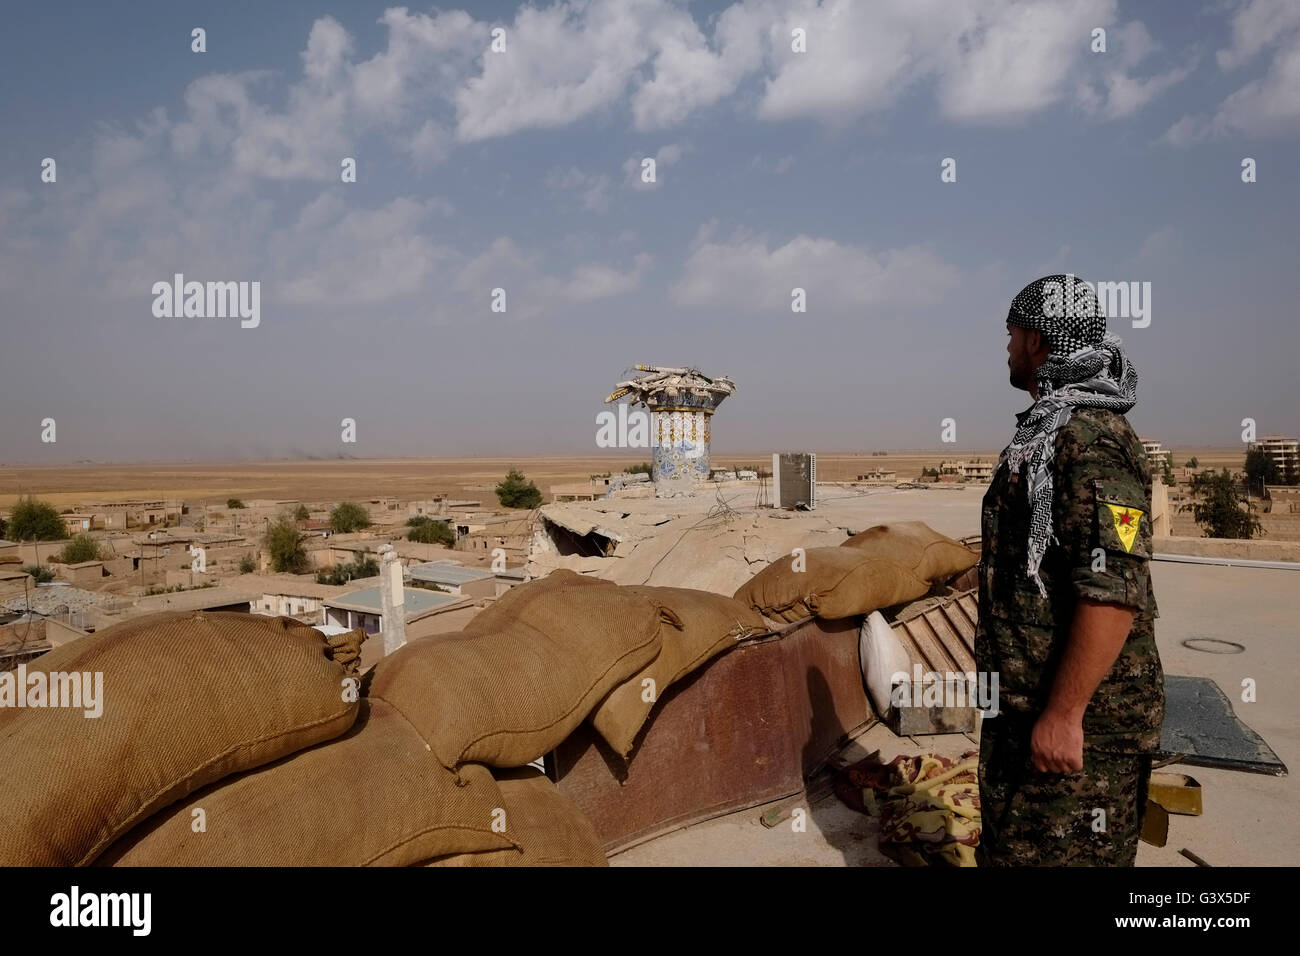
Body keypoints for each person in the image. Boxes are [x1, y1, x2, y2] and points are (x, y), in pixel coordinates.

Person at [974, 274, 1164, 866]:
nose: (1005, 349)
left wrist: (1063, 715)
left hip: (1084, 730)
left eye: (1010, 335)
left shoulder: (1088, 439)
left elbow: (1113, 589)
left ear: (1036, 340)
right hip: (1025, 708)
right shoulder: (1050, 431)